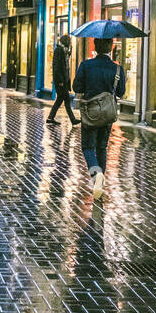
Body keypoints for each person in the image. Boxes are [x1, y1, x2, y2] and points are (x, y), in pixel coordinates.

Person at [72, 37, 126, 200]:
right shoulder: (117, 69)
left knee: (88, 147)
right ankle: (99, 185)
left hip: (90, 113)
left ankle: (96, 175)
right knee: (102, 147)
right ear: (110, 47)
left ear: (95, 46)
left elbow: (76, 87)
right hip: (108, 113)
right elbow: (121, 92)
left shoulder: (86, 65)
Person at [47, 33, 79, 125]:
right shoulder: (59, 50)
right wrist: (60, 81)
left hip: (64, 80)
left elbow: (65, 62)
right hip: (61, 81)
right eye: (69, 41)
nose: (70, 43)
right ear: (66, 42)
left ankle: (51, 117)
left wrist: (70, 50)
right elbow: (57, 67)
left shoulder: (63, 51)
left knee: (61, 100)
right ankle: (72, 120)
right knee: (66, 100)